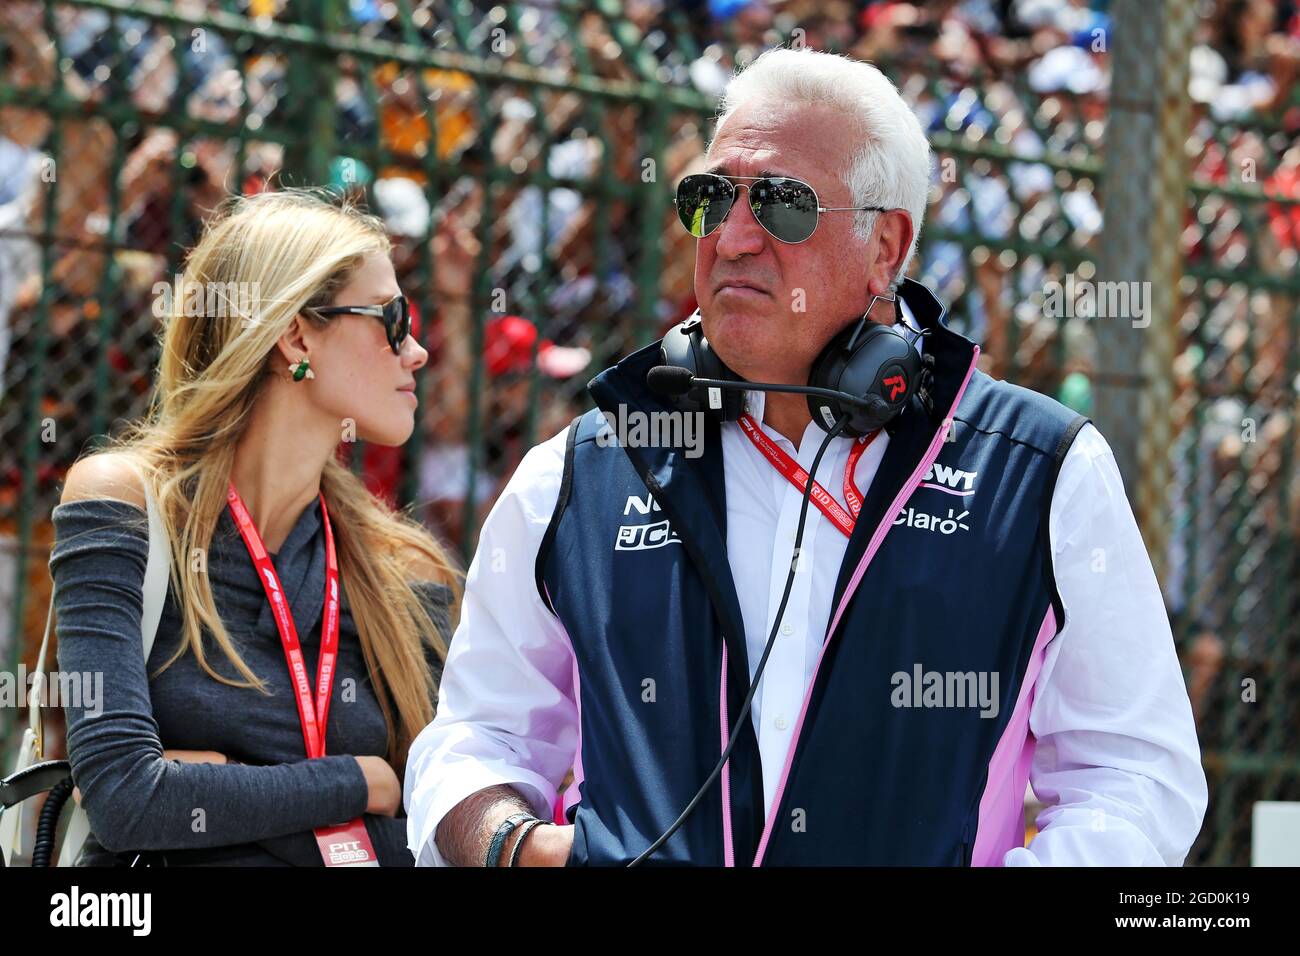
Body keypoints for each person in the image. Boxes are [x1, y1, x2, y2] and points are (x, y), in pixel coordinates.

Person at [404, 48, 1207, 867]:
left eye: (784, 205)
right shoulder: (582, 470)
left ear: (885, 246)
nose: (735, 236)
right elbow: (477, 733)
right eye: (709, 199)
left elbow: (1133, 774)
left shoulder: (1040, 471)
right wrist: (514, 849)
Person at [50, 188, 459, 865]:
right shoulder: (125, 500)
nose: (414, 349)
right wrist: (361, 780)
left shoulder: (406, 568)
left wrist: (205, 793)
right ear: (296, 334)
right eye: (391, 318)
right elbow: (126, 800)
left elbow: (432, 832)